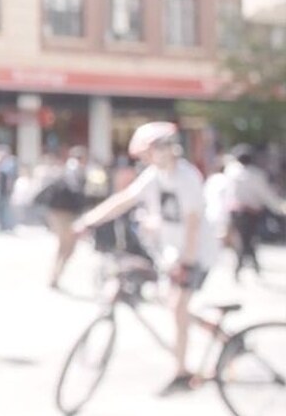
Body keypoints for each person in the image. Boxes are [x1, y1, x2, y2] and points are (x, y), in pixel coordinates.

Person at [73, 122, 220, 397]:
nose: (144, 159)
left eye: (146, 153)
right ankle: (221, 336)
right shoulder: (155, 176)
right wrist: (89, 221)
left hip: (196, 253)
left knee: (177, 306)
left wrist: (187, 263)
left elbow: (193, 223)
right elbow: (124, 200)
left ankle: (181, 372)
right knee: (172, 304)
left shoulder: (186, 177)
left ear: (163, 149)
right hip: (175, 254)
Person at [223, 144, 286, 281]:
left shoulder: (231, 172)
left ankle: (248, 267)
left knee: (245, 240)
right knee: (246, 240)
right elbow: (265, 194)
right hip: (248, 213)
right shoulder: (255, 175)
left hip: (236, 213)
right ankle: (243, 268)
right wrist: (279, 207)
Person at [39, 147, 88, 290]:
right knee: (66, 246)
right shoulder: (74, 170)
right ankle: (54, 277)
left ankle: (55, 276)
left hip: (60, 212)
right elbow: (76, 191)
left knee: (65, 246)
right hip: (65, 212)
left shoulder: (65, 169)